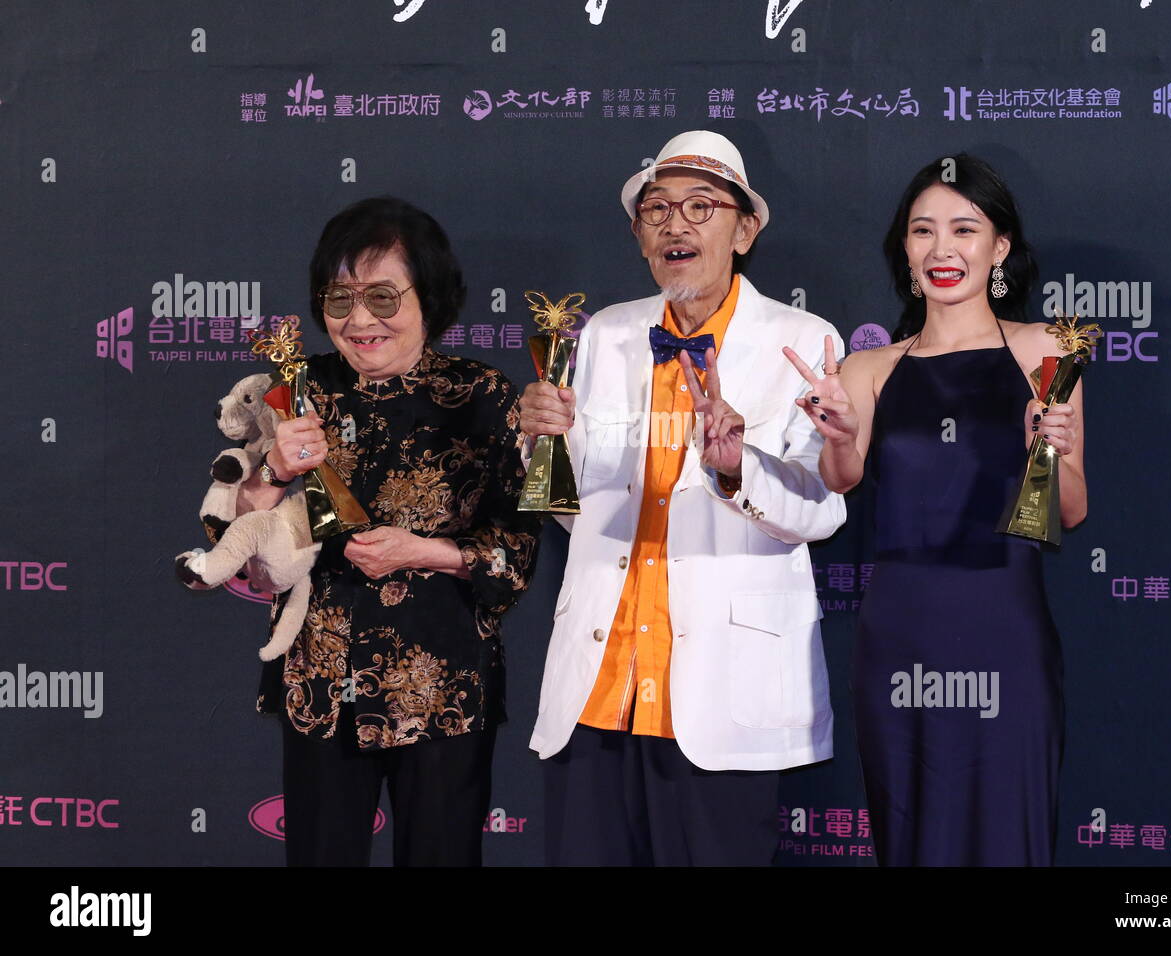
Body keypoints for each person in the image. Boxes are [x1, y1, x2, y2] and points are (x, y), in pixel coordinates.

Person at [520, 130, 846, 866]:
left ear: (746, 229)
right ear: (639, 237)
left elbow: (822, 511)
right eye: (658, 209)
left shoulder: (803, 341)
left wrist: (736, 471)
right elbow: (575, 509)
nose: (676, 224)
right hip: (598, 692)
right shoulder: (602, 334)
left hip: (721, 694)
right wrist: (544, 443)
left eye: (702, 206)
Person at [787, 154, 1083, 865]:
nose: (942, 249)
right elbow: (842, 479)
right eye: (922, 231)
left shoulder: (1048, 349)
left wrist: (1051, 451)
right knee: (910, 820)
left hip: (1003, 624)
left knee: (1005, 822)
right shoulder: (868, 369)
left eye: (963, 229)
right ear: (905, 249)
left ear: (999, 248)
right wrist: (834, 435)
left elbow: (1069, 511)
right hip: (900, 631)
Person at [235, 196, 539, 866]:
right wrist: (274, 474)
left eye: (381, 297)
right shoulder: (296, 390)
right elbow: (243, 554)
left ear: (428, 297)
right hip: (321, 679)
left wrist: (422, 551)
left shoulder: (489, 397)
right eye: (339, 299)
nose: (360, 320)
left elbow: (516, 556)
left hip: (441, 686)